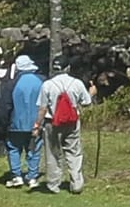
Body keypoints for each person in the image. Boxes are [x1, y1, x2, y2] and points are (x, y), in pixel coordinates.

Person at [34, 58, 93, 194]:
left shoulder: (47, 85)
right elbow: (86, 102)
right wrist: (92, 93)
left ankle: (53, 185)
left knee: (53, 153)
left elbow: (42, 108)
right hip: (72, 123)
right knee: (74, 152)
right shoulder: (76, 83)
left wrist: (37, 125)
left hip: (52, 123)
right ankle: (76, 183)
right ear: (68, 68)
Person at [3, 55, 44, 188]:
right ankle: (32, 177)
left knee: (14, 148)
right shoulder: (41, 81)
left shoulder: (12, 83)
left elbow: (7, 105)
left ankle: (16, 176)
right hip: (36, 122)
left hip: (16, 123)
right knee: (34, 149)